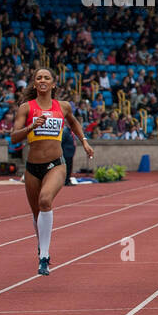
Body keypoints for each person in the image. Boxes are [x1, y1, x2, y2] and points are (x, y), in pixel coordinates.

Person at [9, 67, 94, 275]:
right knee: (37, 211)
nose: (43, 80)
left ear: (53, 84)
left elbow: (74, 124)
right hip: (32, 167)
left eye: (47, 77)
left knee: (45, 200)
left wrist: (84, 142)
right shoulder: (26, 108)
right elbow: (13, 137)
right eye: (39, 78)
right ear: (35, 84)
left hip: (55, 164)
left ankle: (44, 257)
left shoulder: (63, 106)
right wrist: (31, 127)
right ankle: (42, 246)